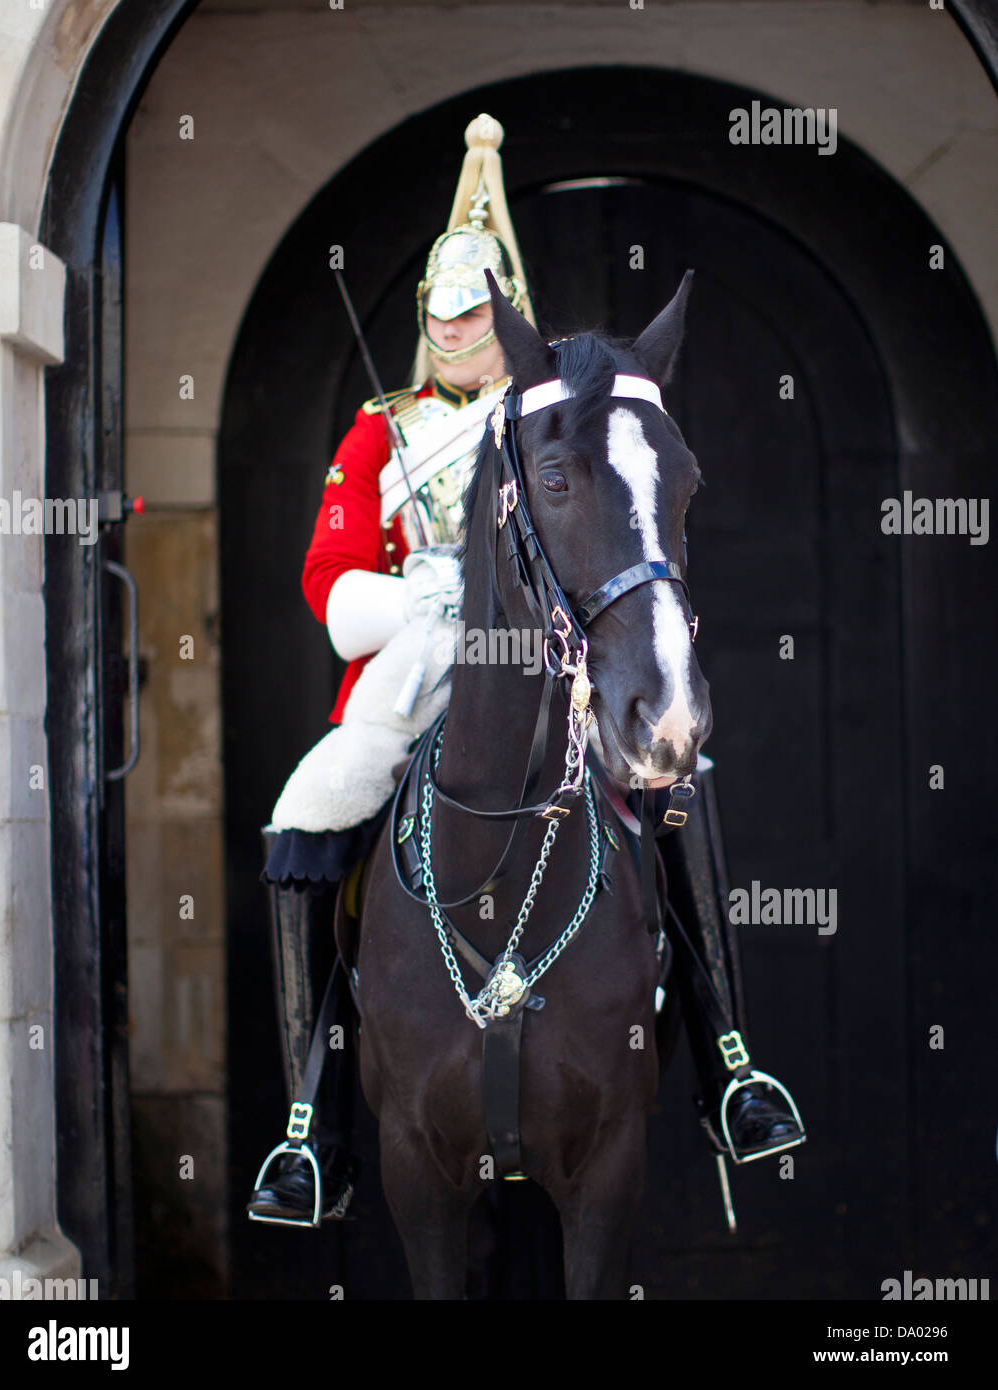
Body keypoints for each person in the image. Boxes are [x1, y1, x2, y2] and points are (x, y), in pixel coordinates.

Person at [247, 114, 803, 1231]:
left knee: (680, 785)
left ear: (510, 318)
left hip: (544, 667)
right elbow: (329, 568)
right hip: (409, 668)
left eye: (479, 315)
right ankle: (313, 1122)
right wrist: (405, 598)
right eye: (445, 319)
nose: (461, 336)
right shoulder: (381, 431)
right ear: (424, 324)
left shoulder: (552, 418)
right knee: (305, 808)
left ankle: (730, 1061)